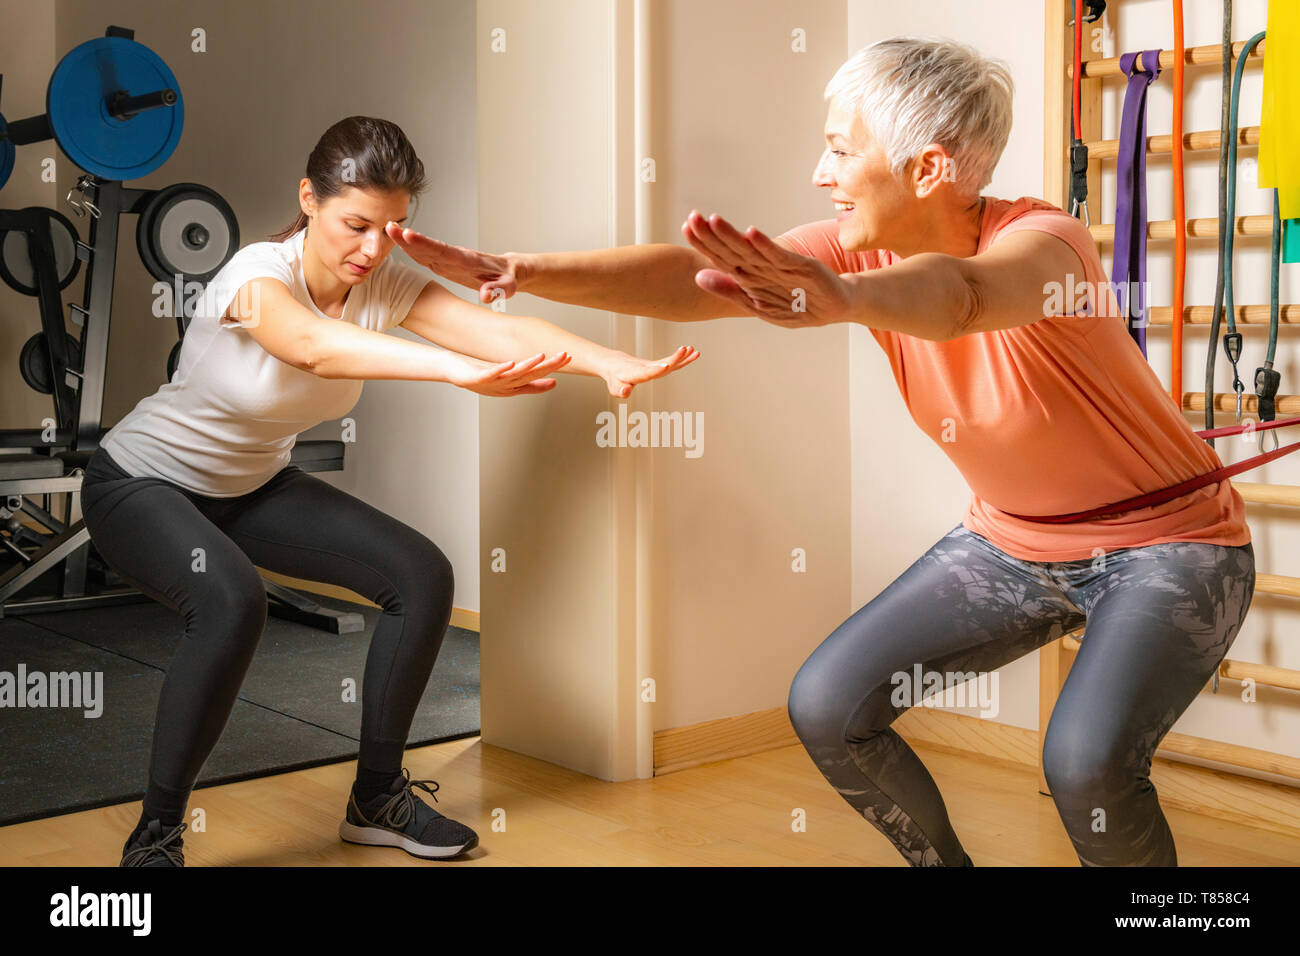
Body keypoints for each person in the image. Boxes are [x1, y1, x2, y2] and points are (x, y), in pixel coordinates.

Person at [387, 37, 1255, 867]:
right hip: (1013, 544)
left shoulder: (1044, 242)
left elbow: (961, 298)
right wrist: (527, 270)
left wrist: (842, 297)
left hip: (1170, 546)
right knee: (829, 703)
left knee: (1084, 763)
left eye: (840, 150)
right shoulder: (851, 247)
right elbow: (689, 279)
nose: (820, 173)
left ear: (928, 167)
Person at [82, 115, 700, 867]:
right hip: (140, 483)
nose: (373, 249)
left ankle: (377, 798)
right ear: (307, 199)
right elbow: (312, 346)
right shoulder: (254, 275)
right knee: (230, 600)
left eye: (394, 227)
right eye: (356, 224)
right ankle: (157, 835)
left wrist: (603, 360)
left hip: (249, 488)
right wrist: (450, 372)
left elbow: (494, 334)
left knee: (421, 573)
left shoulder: (385, 282)